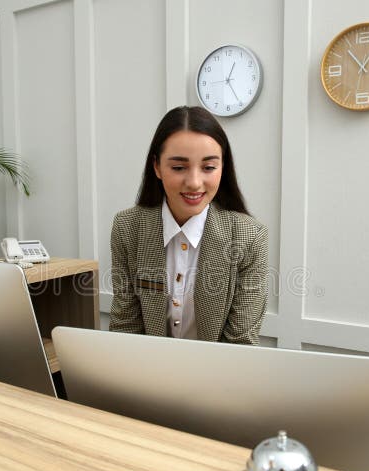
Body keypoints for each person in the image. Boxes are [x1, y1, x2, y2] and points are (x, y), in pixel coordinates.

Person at [109, 106, 268, 345]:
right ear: (157, 167)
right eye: (179, 167)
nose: (194, 182)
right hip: (145, 374)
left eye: (209, 167)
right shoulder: (127, 228)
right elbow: (126, 329)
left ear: (223, 168)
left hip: (217, 378)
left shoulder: (250, 237)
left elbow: (240, 344)